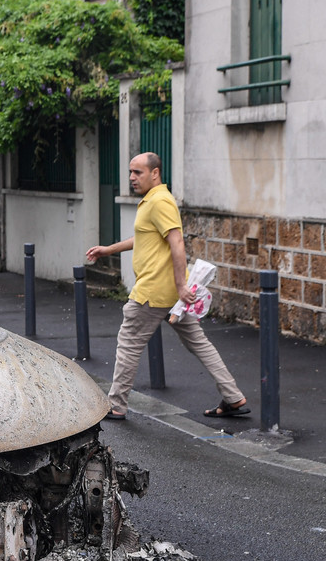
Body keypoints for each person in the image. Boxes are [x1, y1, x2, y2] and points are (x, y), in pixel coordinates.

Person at [85, 152, 248, 422]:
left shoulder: (160, 201)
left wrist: (182, 285)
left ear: (155, 173)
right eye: (130, 172)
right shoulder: (153, 201)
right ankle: (233, 396)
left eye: (138, 172)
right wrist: (107, 250)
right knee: (199, 343)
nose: (131, 178)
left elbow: (177, 242)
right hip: (170, 295)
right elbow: (143, 238)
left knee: (128, 344)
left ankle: (116, 405)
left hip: (153, 293)